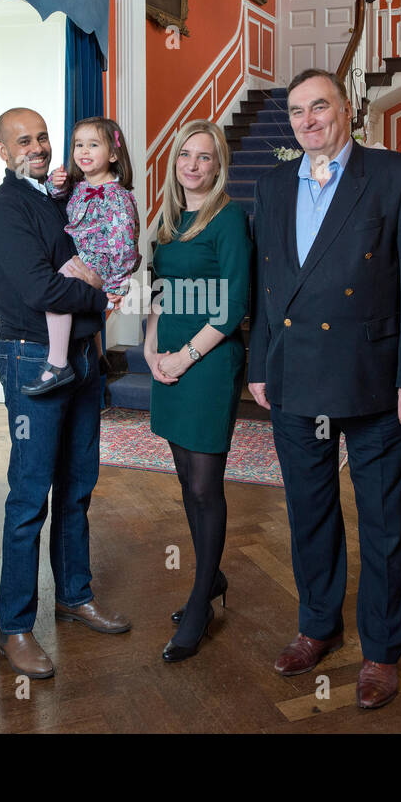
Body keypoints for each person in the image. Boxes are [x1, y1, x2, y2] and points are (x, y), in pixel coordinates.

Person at [248, 68, 401, 710]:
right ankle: (318, 626)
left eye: (319, 107)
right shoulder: (273, 185)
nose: (308, 120)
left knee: (383, 521)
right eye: (297, 111)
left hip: (375, 382)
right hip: (294, 377)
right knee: (309, 512)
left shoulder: (395, 177)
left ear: (347, 109)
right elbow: (265, 288)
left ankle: (382, 650)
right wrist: (258, 364)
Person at [0, 107, 131, 680]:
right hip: (31, 360)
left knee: (78, 487)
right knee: (28, 499)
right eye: (24, 140)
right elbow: (43, 287)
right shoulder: (1, 212)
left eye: (42, 137)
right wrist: (104, 296)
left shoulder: (56, 197)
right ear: (2, 151)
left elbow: (90, 259)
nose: (37, 147)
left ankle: (75, 595)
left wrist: (93, 286)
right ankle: (14, 628)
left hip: (83, 358)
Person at [144, 120, 252, 663]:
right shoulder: (166, 222)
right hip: (168, 361)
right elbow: (160, 293)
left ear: (218, 165)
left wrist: (184, 358)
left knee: (206, 484)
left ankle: (199, 598)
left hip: (208, 363)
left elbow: (232, 307)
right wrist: (148, 350)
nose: (192, 165)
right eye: (184, 154)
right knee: (187, 478)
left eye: (204, 157)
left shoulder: (229, 219)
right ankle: (210, 578)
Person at [25, 117, 140, 396]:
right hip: (81, 254)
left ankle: (57, 362)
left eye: (93, 145)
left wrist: (115, 285)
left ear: (113, 154)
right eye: (79, 145)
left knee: (59, 288)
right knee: (75, 299)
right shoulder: (79, 186)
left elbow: (125, 244)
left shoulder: (117, 196)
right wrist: (56, 182)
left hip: (101, 262)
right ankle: (98, 354)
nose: (84, 151)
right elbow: (58, 195)